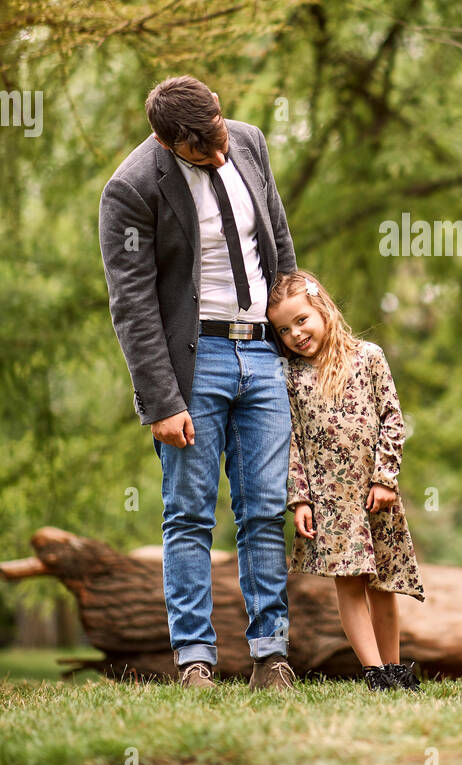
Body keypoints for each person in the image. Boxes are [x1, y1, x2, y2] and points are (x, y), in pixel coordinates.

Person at [98, 75, 297, 691]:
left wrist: (296, 332)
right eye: (199, 149)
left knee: (264, 510)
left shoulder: (248, 141)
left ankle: (272, 656)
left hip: (261, 353)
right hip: (193, 364)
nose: (218, 154)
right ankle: (195, 661)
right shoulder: (130, 189)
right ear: (165, 142)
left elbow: (279, 244)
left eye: (218, 135)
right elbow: (131, 304)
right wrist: (161, 400)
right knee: (188, 516)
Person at [267, 270, 425, 692]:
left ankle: (393, 667)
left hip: (374, 493)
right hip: (330, 500)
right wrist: (300, 499)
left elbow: (393, 418)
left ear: (323, 309)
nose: (296, 334)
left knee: (383, 582)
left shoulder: (367, 357)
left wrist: (386, 477)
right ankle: (373, 671)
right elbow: (293, 444)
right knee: (350, 583)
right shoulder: (291, 377)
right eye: (284, 330)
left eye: (302, 320)